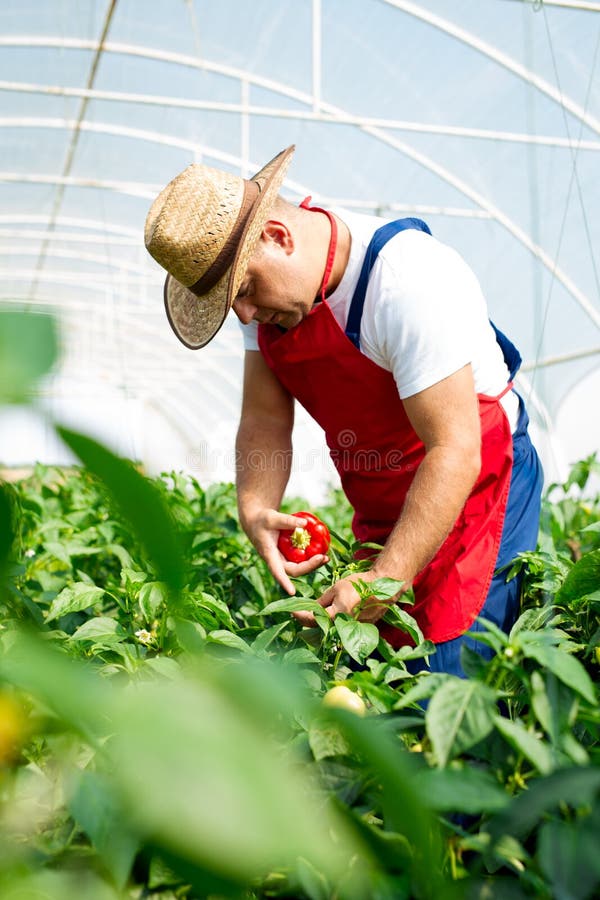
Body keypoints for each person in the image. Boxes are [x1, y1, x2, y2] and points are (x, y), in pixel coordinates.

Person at [144, 145, 543, 677]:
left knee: (452, 672)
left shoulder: (404, 281)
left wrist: (381, 580)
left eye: (242, 291)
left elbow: (456, 450)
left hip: (476, 484)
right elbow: (264, 419)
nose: (242, 313)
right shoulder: (267, 303)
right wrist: (255, 505)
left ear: (280, 237)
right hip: (383, 498)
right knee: (372, 674)